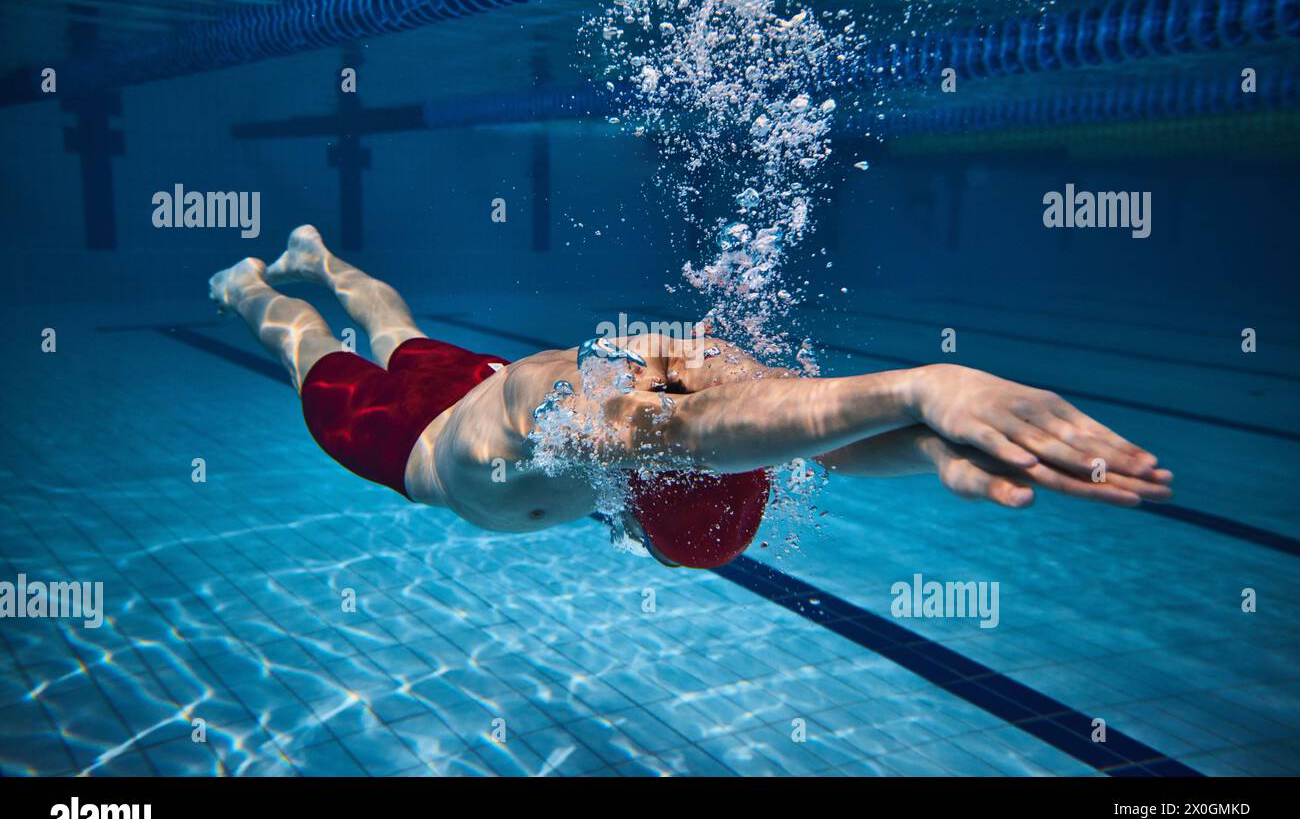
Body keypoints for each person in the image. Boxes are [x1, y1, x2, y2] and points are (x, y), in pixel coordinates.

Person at [209, 225, 1173, 569]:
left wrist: (929, 446)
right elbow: (702, 433)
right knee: (314, 347)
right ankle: (253, 282)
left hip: (463, 399)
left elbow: (790, 438)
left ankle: (317, 257)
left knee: (398, 334)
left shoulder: (600, 407)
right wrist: (923, 385)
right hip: (397, 440)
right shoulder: (585, 431)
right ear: (640, 490)